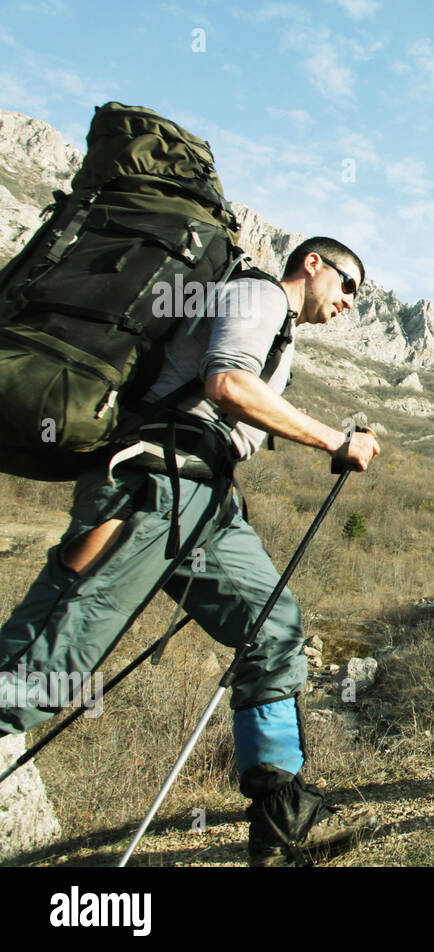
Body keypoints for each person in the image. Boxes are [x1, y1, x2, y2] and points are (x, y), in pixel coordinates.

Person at [0, 237, 381, 865]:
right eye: (348, 286)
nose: (349, 303)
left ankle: (280, 823)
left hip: (205, 503)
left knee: (273, 629)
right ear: (313, 264)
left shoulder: (278, 331)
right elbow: (228, 383)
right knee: (50, 665)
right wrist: (334, 439)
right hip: (149, 490)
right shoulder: (257, 295)